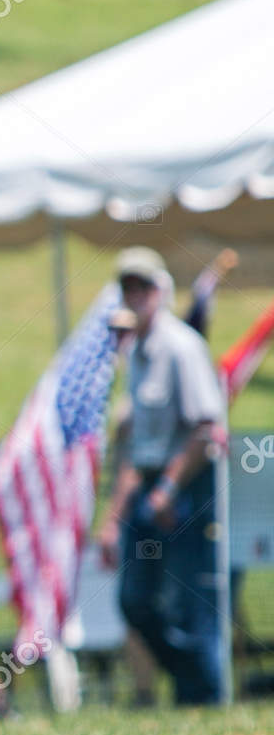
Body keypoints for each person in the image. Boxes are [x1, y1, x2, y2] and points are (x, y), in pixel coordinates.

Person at [98, 247, 227, 706]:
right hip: (148, 487)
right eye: (127, 288)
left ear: (160, 292)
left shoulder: (181, 347)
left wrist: (169, 489)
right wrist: (114, 518)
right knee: (135, 600)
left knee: (192, 601)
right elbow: (134, 446)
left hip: (186, 487)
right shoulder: (136, 353)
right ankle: (192, 680)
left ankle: (204, 693)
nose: (135, 296)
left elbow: (206, 429)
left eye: (143, 287)